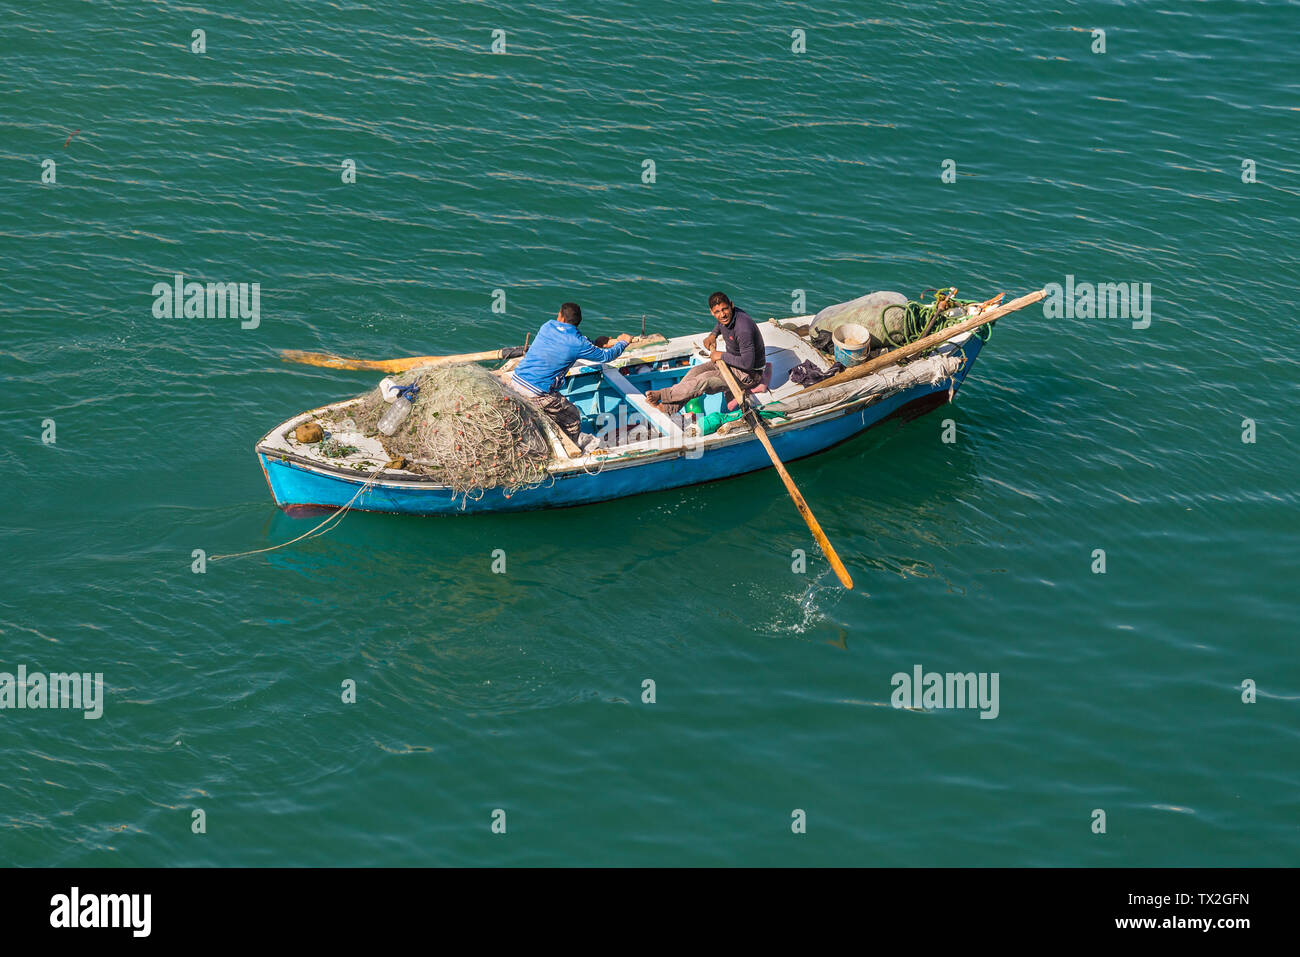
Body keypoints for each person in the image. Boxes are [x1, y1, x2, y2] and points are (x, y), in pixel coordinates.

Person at [507, 302, 633, 450]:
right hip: (536, 393)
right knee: (572, 415)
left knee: (556, 404)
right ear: (578, 322)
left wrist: (596, 344)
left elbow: (569, 343)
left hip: (516, 380)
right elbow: (607, 356)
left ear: (560, 316)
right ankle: (573, 445)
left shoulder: (547, 326)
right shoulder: (579, 343)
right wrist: (623, 342)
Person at [646, 292, 765, 414]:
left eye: (725, 309)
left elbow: (747, 363)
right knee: (695, 372)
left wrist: (721, 355)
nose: (722, 314)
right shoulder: (725, 318)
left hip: (748, 374)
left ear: (731, 305)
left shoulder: (743, 328)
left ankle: (663, 394)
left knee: (705, 380)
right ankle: (669, 408)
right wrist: (713, 335)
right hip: (731, 362)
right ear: (712, 312)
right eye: (717, 312)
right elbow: (720, 324)